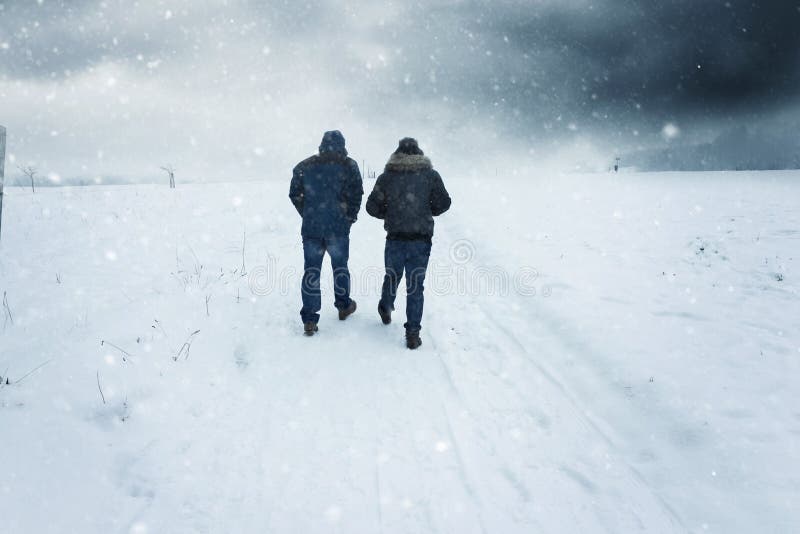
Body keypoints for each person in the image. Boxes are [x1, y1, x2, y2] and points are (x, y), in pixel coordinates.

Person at [366, 137, 451, 349]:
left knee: (392, 276)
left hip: (395, 238)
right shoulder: (431, 176)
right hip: (420, 240)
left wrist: (390, 213)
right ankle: (413, 333)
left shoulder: (387, 177)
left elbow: (371, 207)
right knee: (415, 287)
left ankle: (385, 307)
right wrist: (426, 209)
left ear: (397, 154)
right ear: (419, 154)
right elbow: (444, 203)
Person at [289, 130, 363, 336]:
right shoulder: (349, 166)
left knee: (311, 271)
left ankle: (310, 319)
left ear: (322, 144)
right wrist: (349, 216)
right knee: (340, 267)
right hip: (338, 228)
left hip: (312, 228)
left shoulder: (305, 166)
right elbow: (357, 193)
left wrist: (307, 212)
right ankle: (343, 305)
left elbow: (294, 193)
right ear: (342, 145)